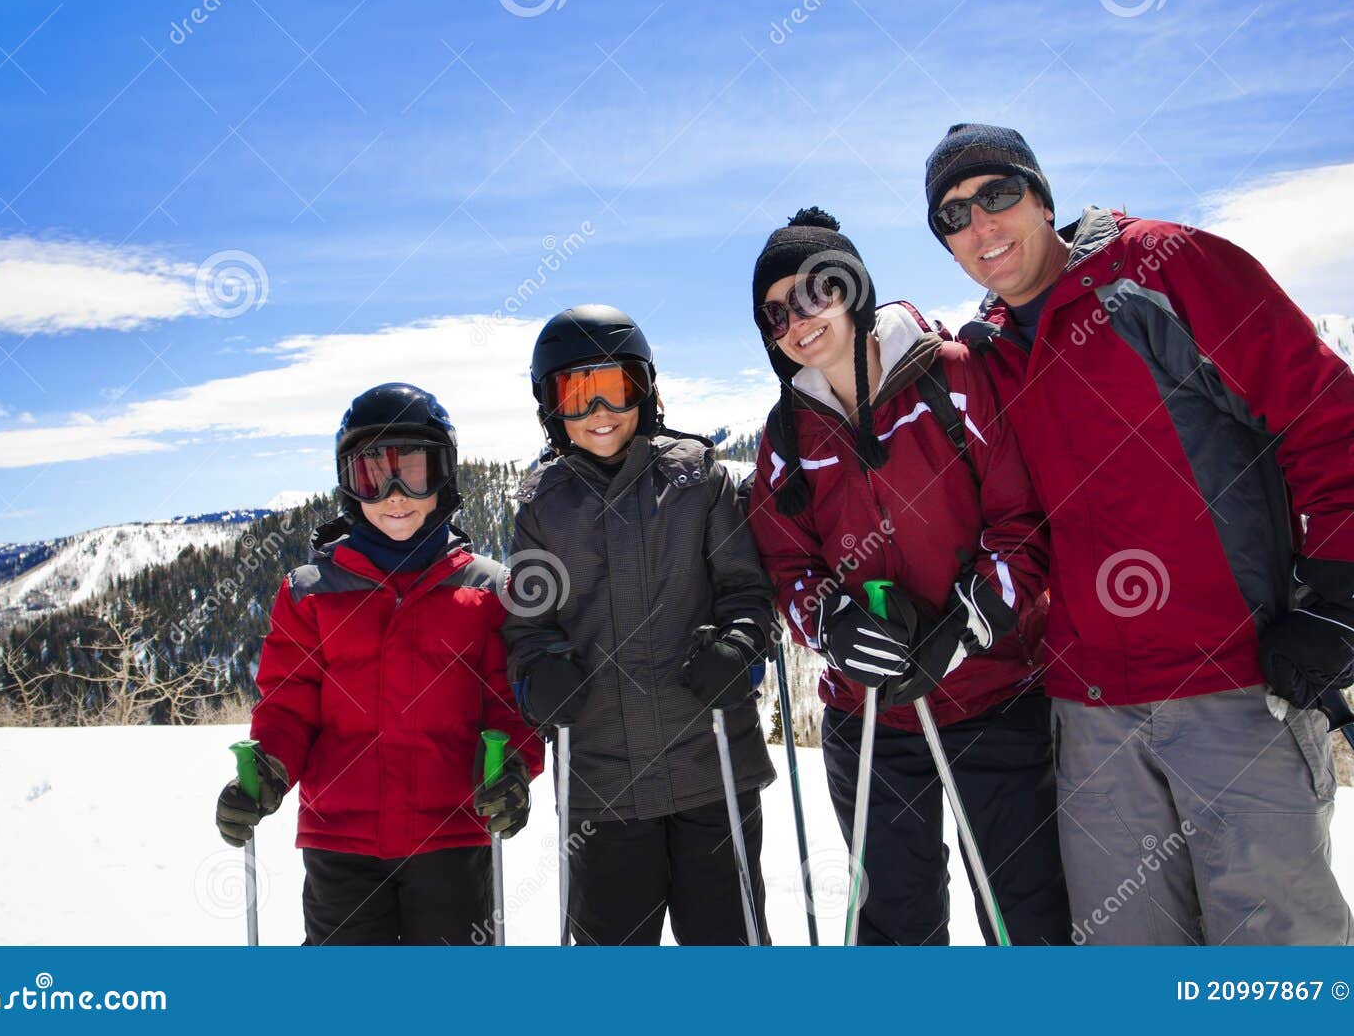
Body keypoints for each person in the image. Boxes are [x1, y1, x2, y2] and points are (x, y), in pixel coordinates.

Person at [923, 122, 1354, 944]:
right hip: (1093, 715)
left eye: (996, 194)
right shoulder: (992, 349)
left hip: (1235, 688)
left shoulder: (1161, 268)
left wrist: (1340, 595)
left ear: (1040, 195)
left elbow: (1329, 416)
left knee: (1279, 960)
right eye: (952, 217)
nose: (980, 225)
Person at [745, 207, 1070, 945]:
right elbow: (786, 567)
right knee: (893, 923)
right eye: (774, 313)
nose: (796, 320)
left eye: (812, 292)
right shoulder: (786, 435)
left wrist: (970, 623)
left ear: (852, 286)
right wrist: (834, 626)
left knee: (1025, 911)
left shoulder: (949, 375)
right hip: (870, 718)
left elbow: (1022, 522)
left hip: (994, 697)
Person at [214, 382, 542, 945]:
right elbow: (288, 707)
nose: (395, 495)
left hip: (452, 836)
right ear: (349, 486)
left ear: (443, 477)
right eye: (373, 476)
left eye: (413, 473)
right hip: (342, 843)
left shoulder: (486, 589)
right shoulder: (309, 594)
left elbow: (507, 703)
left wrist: (511, 767)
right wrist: (268, 767)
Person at [502, 305, 776, 945]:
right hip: (604, 786)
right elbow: (528, 622)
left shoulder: (697, 480)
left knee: (728, 945)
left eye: (615, 389)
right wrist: (539, 670)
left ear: (645, 390)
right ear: (551, 408)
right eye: (576, 395)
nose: (599, 413)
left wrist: (738, 645)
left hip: (711, 767)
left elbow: (745, 590)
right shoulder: (543, 509)